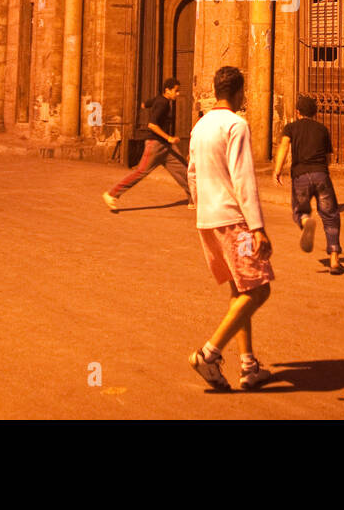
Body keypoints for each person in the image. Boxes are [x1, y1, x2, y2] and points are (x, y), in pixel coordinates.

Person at [186, 65, 272, 391]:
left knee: (241, 290)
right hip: (233, 219)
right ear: (238, 92)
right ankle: (209, 353)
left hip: (207, 218)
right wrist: (258, 226)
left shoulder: (200, 126)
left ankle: (248, 365)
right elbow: (243, 177)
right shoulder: (236, 124)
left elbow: (192, 172)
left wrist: (199, 206)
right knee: (259, 289)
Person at [273, 94, 343, 274]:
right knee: (330, 216)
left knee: (299, 210)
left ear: (297, 112)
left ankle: (305, 221)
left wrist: (278, 170)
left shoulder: (291, 127)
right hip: (321, 174)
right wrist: (322, 171)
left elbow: (284, 146)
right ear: (315, 112)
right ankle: (334, 259)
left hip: (300, 176)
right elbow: (328, 157)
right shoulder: (322, 129)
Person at [103, 77, 192, 212]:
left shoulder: (159, 99)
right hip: (155, 144)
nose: (178, 94)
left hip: (166, 147)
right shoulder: (162, 103)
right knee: (140, 172)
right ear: (167, 91)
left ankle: (194, 199)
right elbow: (152, 124)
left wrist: (148, 107)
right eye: (176, 91)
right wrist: (169, 138)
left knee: (183, 169)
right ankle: (112, 194)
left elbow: (144, 104)